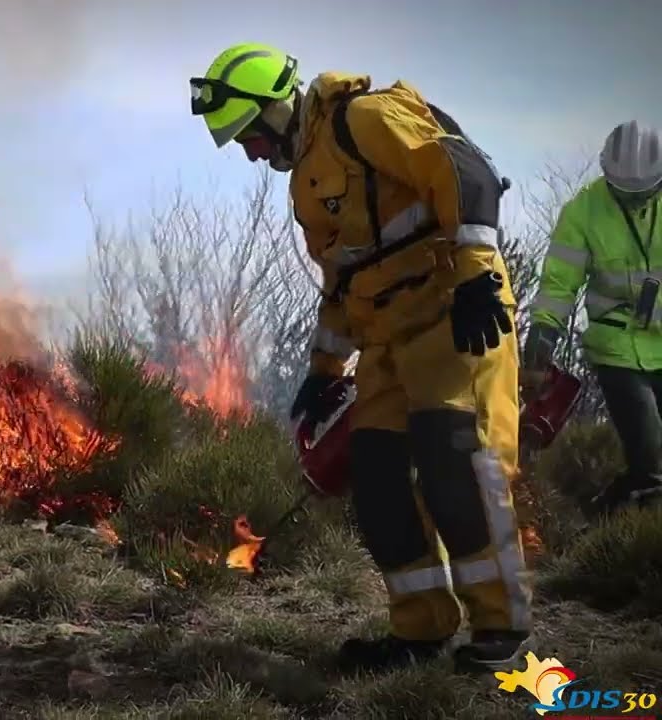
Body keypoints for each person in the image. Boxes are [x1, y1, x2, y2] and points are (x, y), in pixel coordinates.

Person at [190, 43, 532, 673]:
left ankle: (500, 628)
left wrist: (479, 275)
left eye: (249, 136)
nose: (252, 153)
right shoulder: (305, 188)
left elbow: (466, 175)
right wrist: (323, 373)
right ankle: (421, 631)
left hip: (453, 317)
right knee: (375, 479)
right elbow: (343, 283)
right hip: (386, 345)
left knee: (452, 464)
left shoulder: (366, 119)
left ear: (275, 108)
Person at [523, 120, 662, 515]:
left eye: (643, 192)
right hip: (616, 350)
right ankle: (623, 550)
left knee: (649, 472)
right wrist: (543, 333)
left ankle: (594, 520)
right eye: (623, 190)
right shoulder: (583, 212)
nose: (633, 199)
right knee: (651, 464)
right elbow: (558, 284)